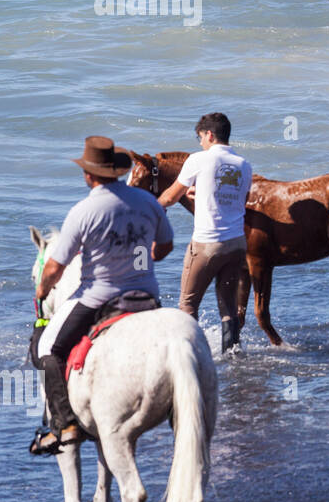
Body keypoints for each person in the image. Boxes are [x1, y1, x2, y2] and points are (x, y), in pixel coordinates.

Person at [32, 136, 173, 454]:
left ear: (88, 174)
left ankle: (66, 424)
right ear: (119, 171)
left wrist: (42, 289)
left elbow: (55, 268)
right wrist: (141, 259)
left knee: (48, 348)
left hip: (99, 297)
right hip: (148, 295)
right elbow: (164, 246)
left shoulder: (84, 210)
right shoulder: (148, 202)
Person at [156, 112, 252, 353]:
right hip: (237, 244)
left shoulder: (199, 159)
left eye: (200, 137)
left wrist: (148, 209)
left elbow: (169, 197)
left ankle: (189, 356)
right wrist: (202, 194)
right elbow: (239, 200)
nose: (200, 143)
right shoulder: (244, 165)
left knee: (187, 304)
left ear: (209, 134)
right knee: (228, 307)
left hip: (207, 245)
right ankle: (232, 356)